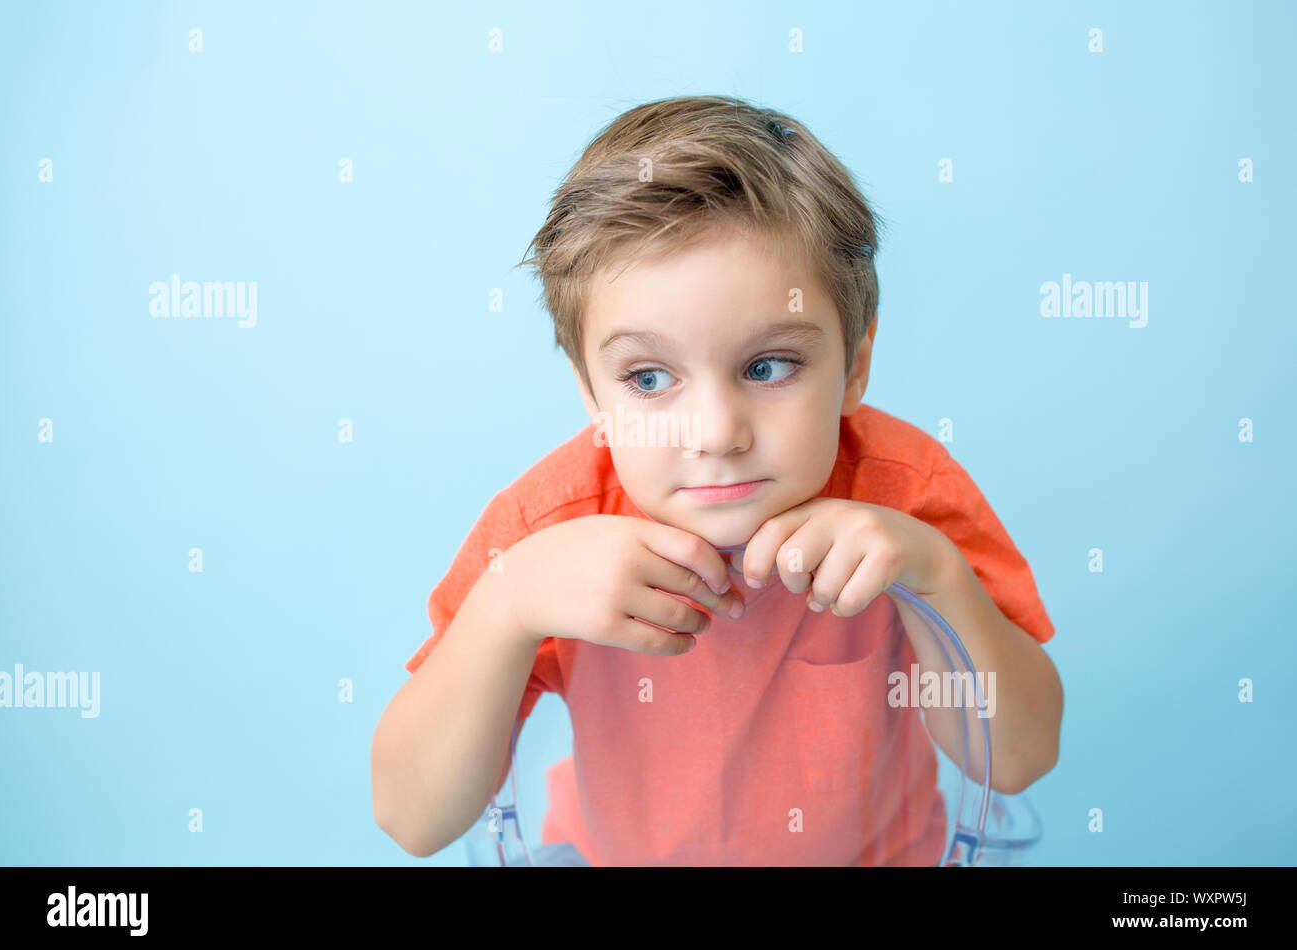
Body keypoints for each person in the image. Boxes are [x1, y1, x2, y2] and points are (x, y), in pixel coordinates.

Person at [371, 94, 1063, 865]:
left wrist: (935, 577)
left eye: (768, 367)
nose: (713, 433)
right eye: (648, 377)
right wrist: (504, 608)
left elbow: (1020, 757)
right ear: (589, 390)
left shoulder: (905, 496)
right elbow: (413, 817)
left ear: (855, 364)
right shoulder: (545, 531)